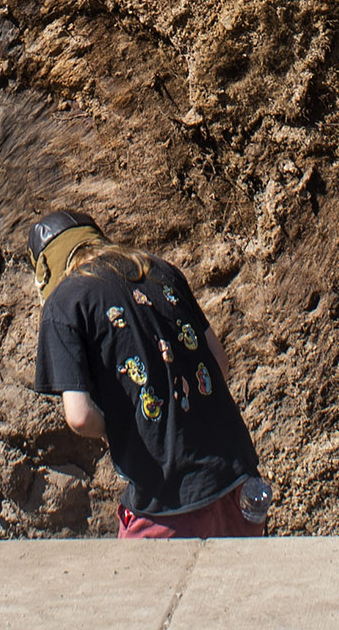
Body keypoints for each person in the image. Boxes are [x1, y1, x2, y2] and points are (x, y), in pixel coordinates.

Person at [27, 210, 269, 539]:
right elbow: (219, 362)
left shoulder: (65, 303)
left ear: (44, 268)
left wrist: (118, 430)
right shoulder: (159, 269)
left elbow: (80, 417)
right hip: (239, 482)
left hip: (168, 499)